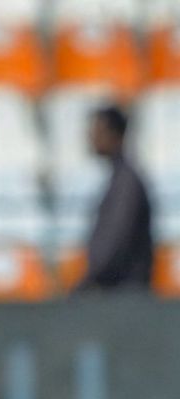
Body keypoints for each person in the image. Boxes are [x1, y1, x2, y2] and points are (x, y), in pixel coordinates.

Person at [76, 104, 154, 291]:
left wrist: (89, 282)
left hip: (123, 296)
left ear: (114, 134)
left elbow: (115, 240)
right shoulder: (121, 178)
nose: (91, 137)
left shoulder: (126, 183)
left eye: (98, 130)